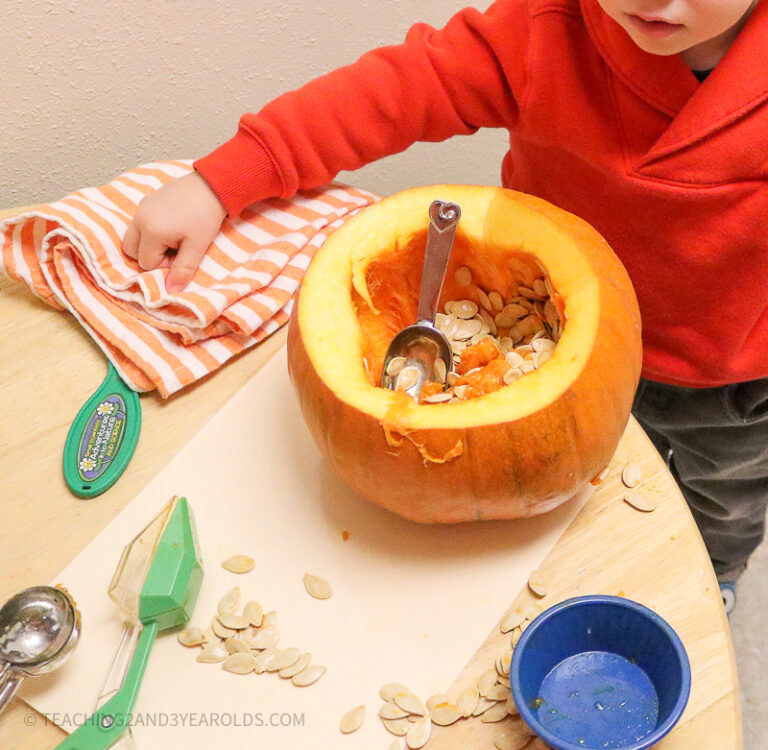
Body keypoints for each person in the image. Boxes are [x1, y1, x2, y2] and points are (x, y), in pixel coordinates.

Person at [123, 0, 768, 613]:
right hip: (536, 344)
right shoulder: (546, 26)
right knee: (578, 497)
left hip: (727, 378)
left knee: (726, 498)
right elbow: (402, 89)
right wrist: (225, 178)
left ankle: (718, 569)